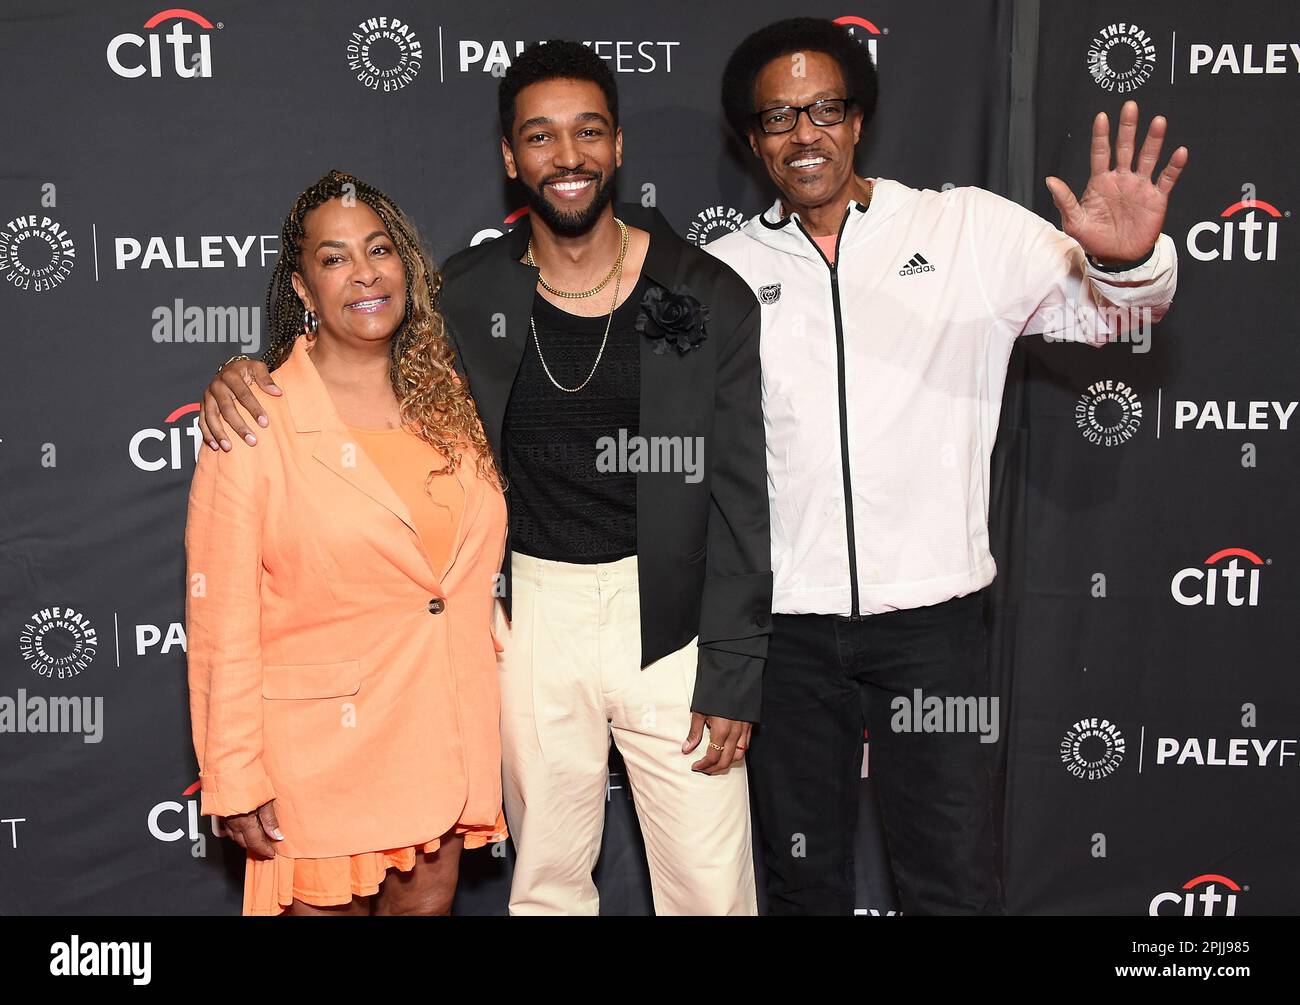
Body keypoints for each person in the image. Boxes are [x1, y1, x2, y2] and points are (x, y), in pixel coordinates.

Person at [196, 43, 771, 916]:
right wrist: (243, 368)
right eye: (540, 136)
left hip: (675, 618)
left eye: (588, 133)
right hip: (530, 615)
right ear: (511, 158)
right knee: (544, 884)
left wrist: (734, 665)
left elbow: (739, 493)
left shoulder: (706, 290)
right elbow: (350, 346)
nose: (566, 156)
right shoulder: (461, 296)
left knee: (713, 886)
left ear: (618, 147)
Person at [706, 17, 1187, 915]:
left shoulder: (966, 228)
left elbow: (1117, 319)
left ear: (860, 120)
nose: (804, 133)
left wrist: (1125, 264)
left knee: (951, 871)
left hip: (935, 627)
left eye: (824, 109)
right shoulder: (723, 272)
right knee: (800, 878)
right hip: (786, 636)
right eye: (778, 118)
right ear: (751, 138)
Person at [185, 170, 508, 916]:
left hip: (442, 742)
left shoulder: (453, 399)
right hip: (319, 760)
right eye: (333, 258)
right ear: (302, 287)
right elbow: (219, 616)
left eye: (379, 249)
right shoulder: (254, 419)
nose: (364, 273)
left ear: (408, 266)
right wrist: (233, 774)